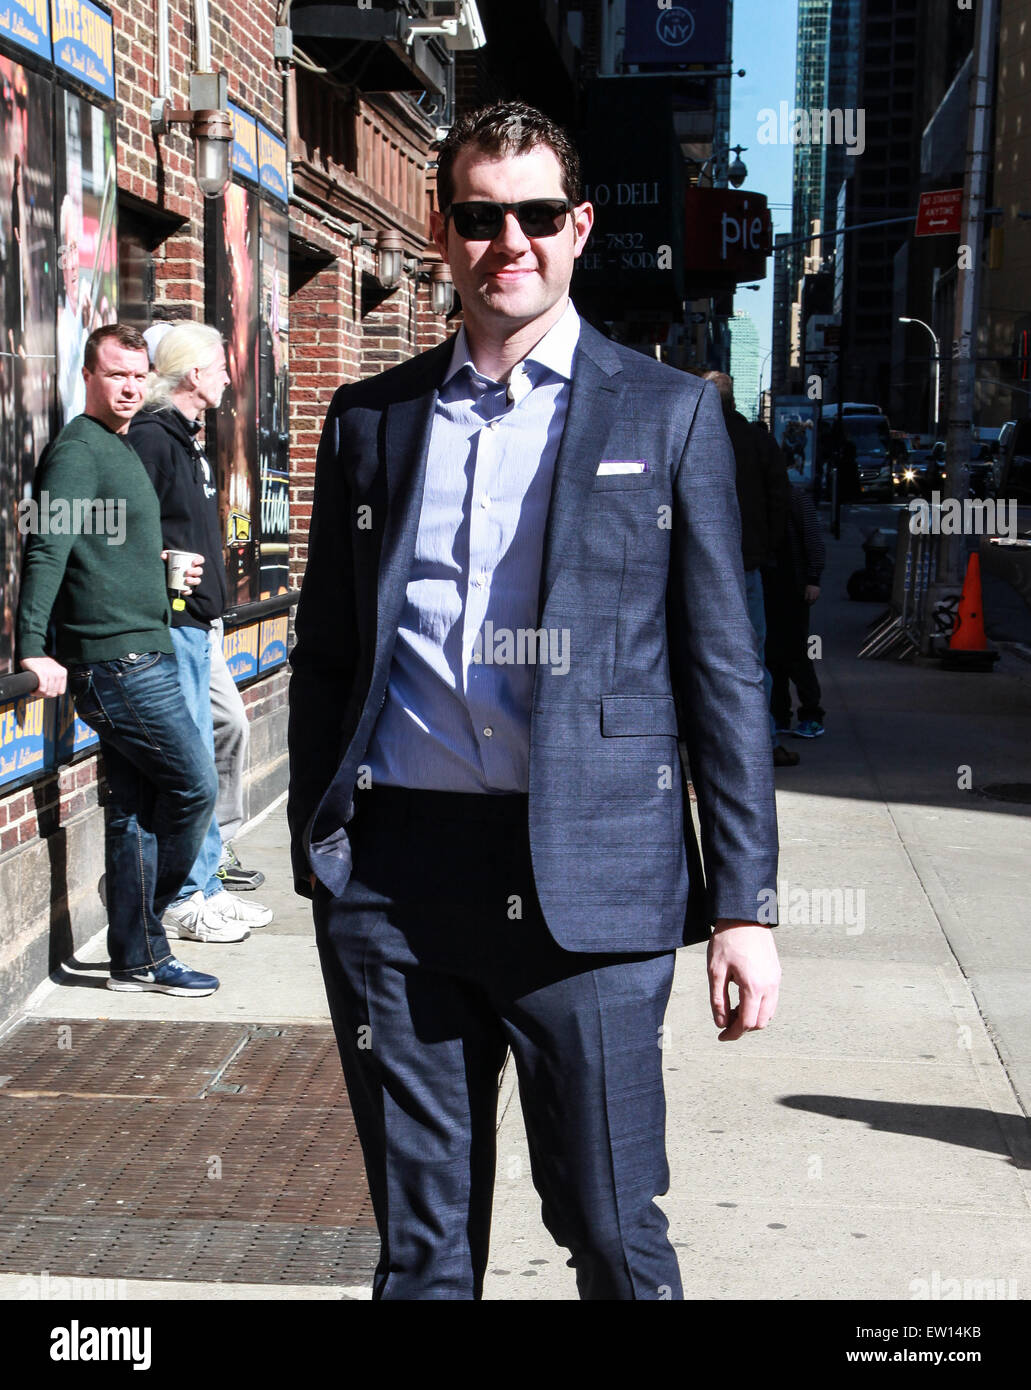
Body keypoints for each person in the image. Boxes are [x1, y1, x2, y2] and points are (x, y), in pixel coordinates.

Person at [288, 100, 781, 1301]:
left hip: (593, 882)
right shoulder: (371, 420)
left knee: (609, 1229)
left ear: (578, 228)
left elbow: (721, 671)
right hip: (398, 884)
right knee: (422, 1253)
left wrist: (744, 904)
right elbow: (330, 655)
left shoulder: (665, 415)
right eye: (478, 217)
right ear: (442, 231)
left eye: (536, 215)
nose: (507, 241)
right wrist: (324, 850)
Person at [16, 323, 219, 997]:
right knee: (195, 786)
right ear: (88, 377)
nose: (130, 387)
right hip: (118, 662)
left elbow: (97, 544)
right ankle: (148, 919)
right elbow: (48, 546)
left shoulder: (119, 445)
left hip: (142, 648)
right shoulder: (79, 450)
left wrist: (158, 564)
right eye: (115, 375)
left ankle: (136, 959)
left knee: (134, 812)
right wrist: (33, 647)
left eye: (138, 375)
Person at [128, 323, 273, 942]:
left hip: (202, 624)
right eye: (218, 367)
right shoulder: (151, 439)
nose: (227, 377)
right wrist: (160, 562)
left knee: (227, 731)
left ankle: (209, 880)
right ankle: (186, 895)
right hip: (173, 624)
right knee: (191, 765)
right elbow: (116, 530)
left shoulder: (188, 439)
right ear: (193, 373)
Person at [702, 371, 795, 767]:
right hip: (746, 563)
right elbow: (780, 499)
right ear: (734, 401)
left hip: (698, 567)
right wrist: (766, 548)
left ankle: (711, 742)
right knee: (752, 655)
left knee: (699, 656)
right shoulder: (757, 440)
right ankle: (762, 741)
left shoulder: (694, 434)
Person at [765, 482, 826, 738]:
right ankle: (783, 714)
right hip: (773, 583)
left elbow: (813, 539)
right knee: (775, 654)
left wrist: (813, 578)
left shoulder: (793, 496)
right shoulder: (780, 495)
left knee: (794, 652)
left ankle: (809, 713)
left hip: (790, 584)